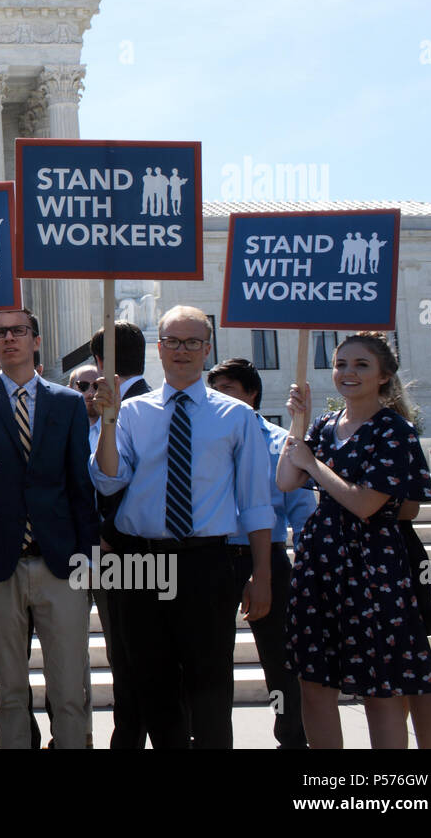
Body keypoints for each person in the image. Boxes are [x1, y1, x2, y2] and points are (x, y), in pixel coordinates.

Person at [91, 305, 273, 749]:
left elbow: (255, 502)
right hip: (141, 562)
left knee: (210, 683)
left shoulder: (236, 417)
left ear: (208, 349)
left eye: (193, 341)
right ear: (159, 347)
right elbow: (108, 477)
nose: (182, 350)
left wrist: (262, 575)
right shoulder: (131, 413)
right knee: (151, 683)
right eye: (172, 341)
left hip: (206, 562)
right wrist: (107, 423)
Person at [278, 332, 431, 749]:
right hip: (320, 563)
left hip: (373, 567)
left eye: (361, 365)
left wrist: (312, 463)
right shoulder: (324, 424)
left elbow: (366, 503)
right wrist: (298, 422)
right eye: (341, 364)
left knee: (380, 688)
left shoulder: (394, 430)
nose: (348, 373)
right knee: (313, 684)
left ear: (384, 376)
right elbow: (285, 480)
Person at [0, 308, 98, 749]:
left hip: (60, 564)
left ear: (36, 340)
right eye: (0, 332)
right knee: (11, 691)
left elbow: (81, 486)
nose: (9, 338)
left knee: (70, 688)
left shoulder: (69, 402)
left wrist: (88, 561)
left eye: (19, 331)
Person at [207, 357, 316, 748]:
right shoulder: (202, 442)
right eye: (214, 391)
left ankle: (291, 734)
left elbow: (303, 513)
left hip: (266, 557)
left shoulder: (279, 442)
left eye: (228, 391)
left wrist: (305, 570)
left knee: (280, 659)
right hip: (212, 555)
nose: (218, 399)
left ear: (251, 394)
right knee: (208, 657)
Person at [86, 322, 152, 749]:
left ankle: (129, 737)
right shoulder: (144, 402)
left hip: (125, 549)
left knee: (130, 656)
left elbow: (145, 479)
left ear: (99, 362)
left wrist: (104, 532)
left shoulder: (133, 409)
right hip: (142, 550)